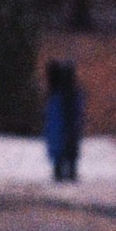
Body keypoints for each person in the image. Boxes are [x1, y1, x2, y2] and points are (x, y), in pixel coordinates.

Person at [44, 56, 85, 185]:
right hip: (68, 120)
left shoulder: (54, 93)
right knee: (70, 145)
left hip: (58, 120)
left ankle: (60, 171)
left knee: (59, 144)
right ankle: (70, 171)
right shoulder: (73, 92)